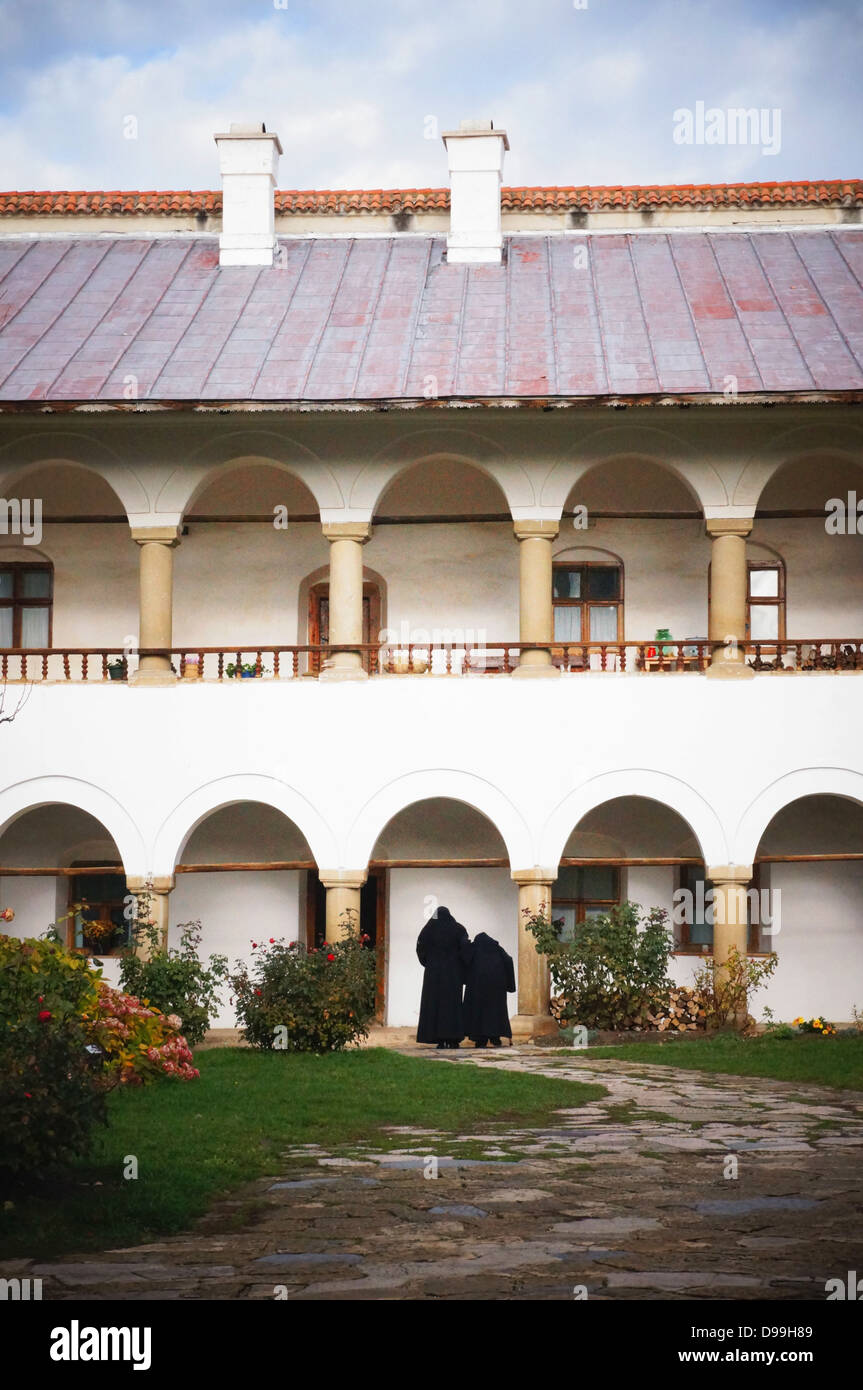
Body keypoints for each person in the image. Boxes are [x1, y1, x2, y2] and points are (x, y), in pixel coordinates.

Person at [416, 905, 471, 1048]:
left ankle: (439, 1040)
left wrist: (429, 963)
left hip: (433, 975)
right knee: (452, 1006)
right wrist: (463, 967)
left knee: (435, 1005)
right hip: (453, 975)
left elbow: (420, 948)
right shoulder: (458, 929)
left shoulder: (428, 930)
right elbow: (465, 949)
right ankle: (453, 1039)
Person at [462, 931, 516, 1048]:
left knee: (479, 1012)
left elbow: (465, 960)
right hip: (497, 987)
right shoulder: (497, 949)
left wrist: (465, 979)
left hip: (478, 987)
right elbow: (508, 960)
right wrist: (509, 985)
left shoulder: (475, 948)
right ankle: (495, 1038)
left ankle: (480, 1039)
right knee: (495, 1012)